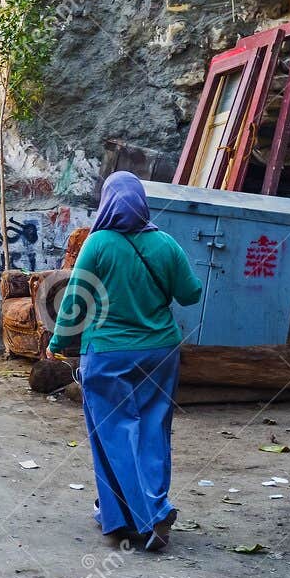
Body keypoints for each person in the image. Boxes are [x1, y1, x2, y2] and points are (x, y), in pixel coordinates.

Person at [47, 172, 203, 553]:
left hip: (108, 353)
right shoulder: (165, 243)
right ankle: (126, 512)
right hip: (161, 351)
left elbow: (76, 299)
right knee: (152, 429)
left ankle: (149, 514)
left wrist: (59, 341)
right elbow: (191, 293)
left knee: (115, 432)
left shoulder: (98, 243)